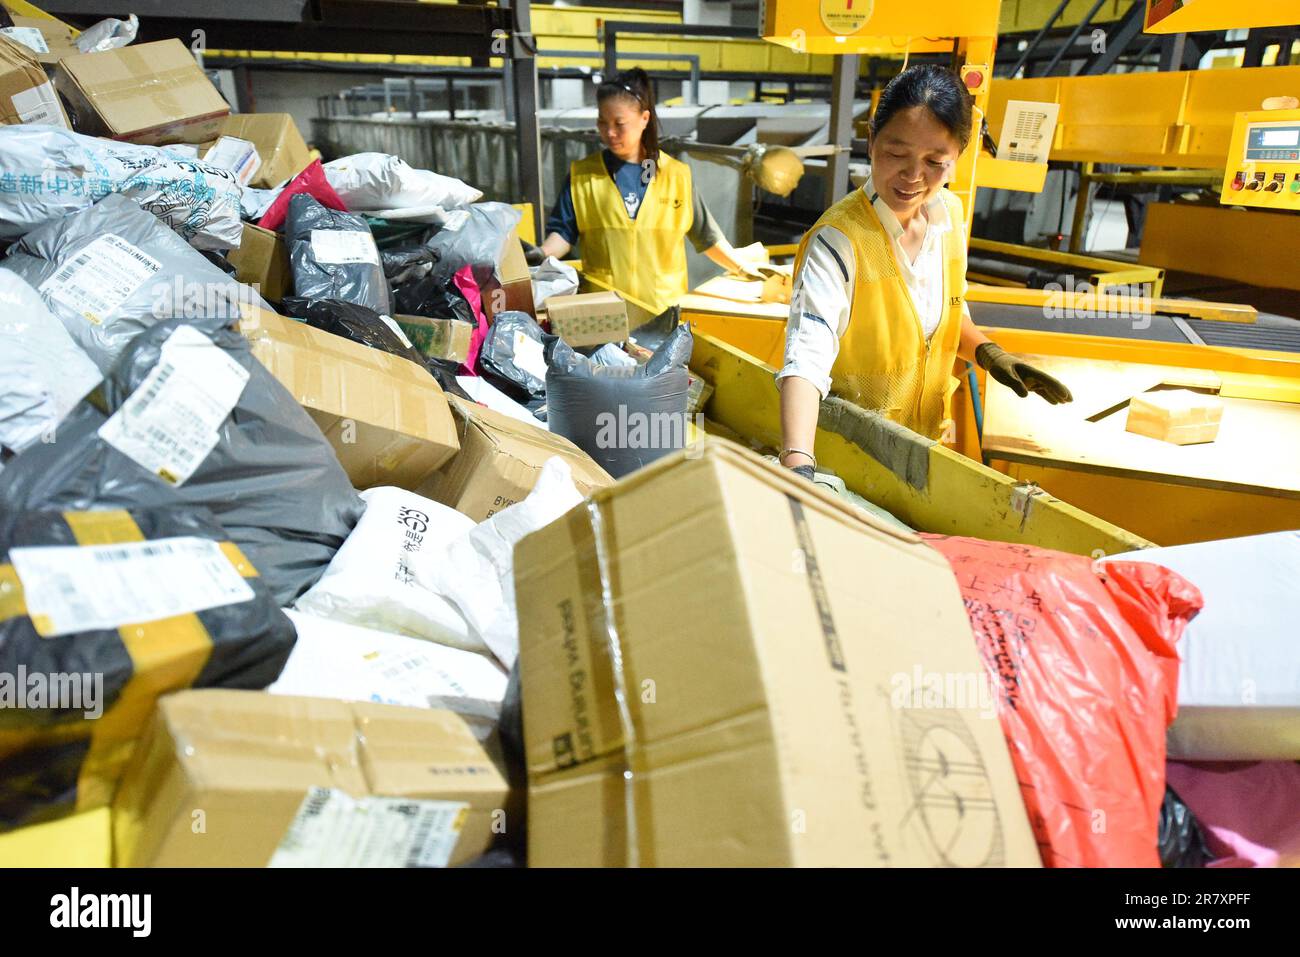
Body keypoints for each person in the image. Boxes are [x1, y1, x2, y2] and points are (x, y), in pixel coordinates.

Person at [776, 65, 1072, 483]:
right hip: (849, 458)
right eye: (897, 154)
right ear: (871, 141)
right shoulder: (839, 240)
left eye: (935, 161)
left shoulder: (949, 217)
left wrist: (989, 354)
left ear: (957, 160)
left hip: (923, 451)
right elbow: (805, 360)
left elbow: (946, 313)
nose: (913, 176)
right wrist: (798, 467)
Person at [539, 68, 758, 315]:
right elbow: (563, 234)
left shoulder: (676, 176)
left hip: (662, 317)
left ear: (644, 119)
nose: (609, 133)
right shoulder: (583, 176)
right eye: (602, 122)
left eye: (619, 123)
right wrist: (542, 254)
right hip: (604, 317)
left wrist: (745, 270)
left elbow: (707, 237)